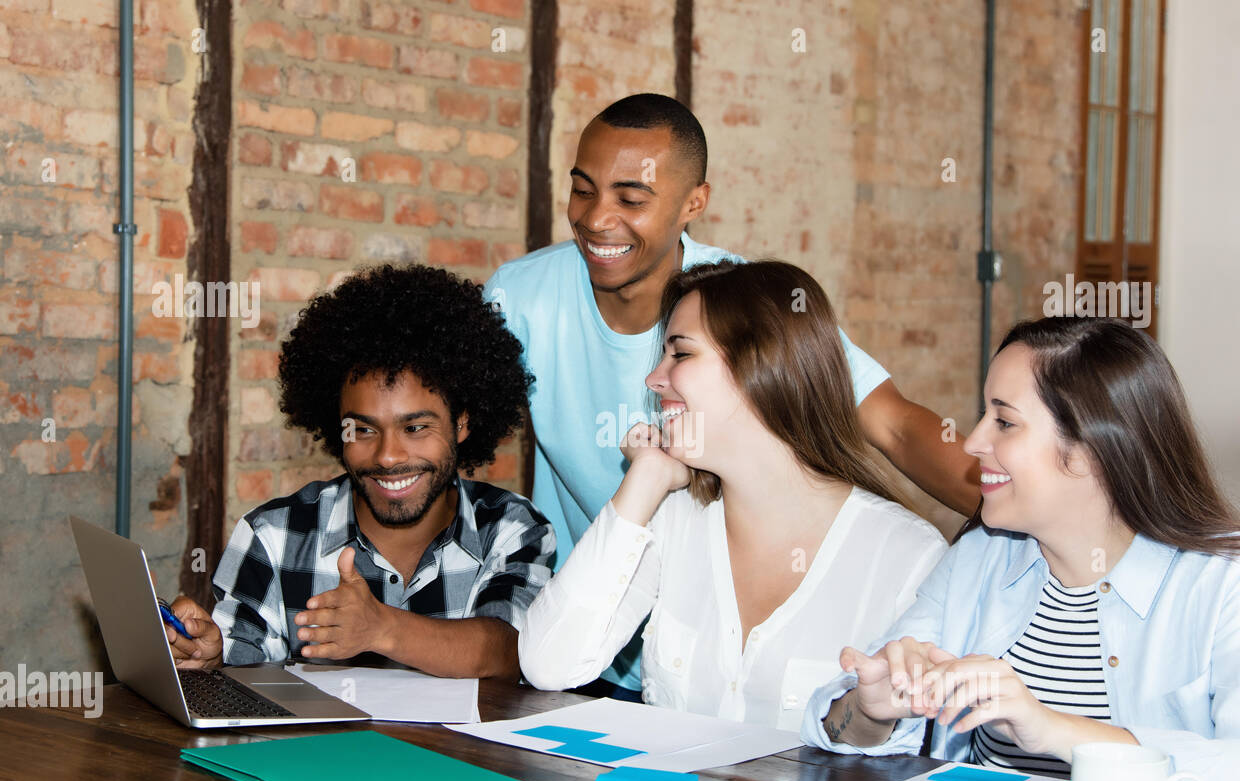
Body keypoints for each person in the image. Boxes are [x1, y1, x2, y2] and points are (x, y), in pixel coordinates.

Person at [487, 92, 979, 696]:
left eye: (631, 198)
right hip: (592, 619)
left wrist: (1016, 515)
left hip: (682, 640)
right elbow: (437, 422)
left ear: (695, 202)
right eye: (582, 189)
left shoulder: (737, 303)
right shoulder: (522, 296)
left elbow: (896, 426)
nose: (595, 218)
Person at [805, 315, 1240, 781]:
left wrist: (1053, 729)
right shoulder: (982, 554)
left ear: (1091, 451)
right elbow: (840, 730)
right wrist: (871, 710)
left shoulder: (1239, 580)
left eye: (1004, 421)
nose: (973, 442)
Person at [517, 260, 948, 730]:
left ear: (760, 365)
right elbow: (548, 664)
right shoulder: (673, 519)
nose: (654, 380)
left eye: (680, 355)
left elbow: (907, 748)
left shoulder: (906, 556)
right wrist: (645, 479)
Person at [163, 264, 556, 679]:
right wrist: (209, 653)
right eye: (364, 429)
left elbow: (509, 652)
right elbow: (238, 658)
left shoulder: (511, 529)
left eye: (415, 427)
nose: (387, 456)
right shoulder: (275, 537)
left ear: (461, 423)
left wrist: (381, 628)